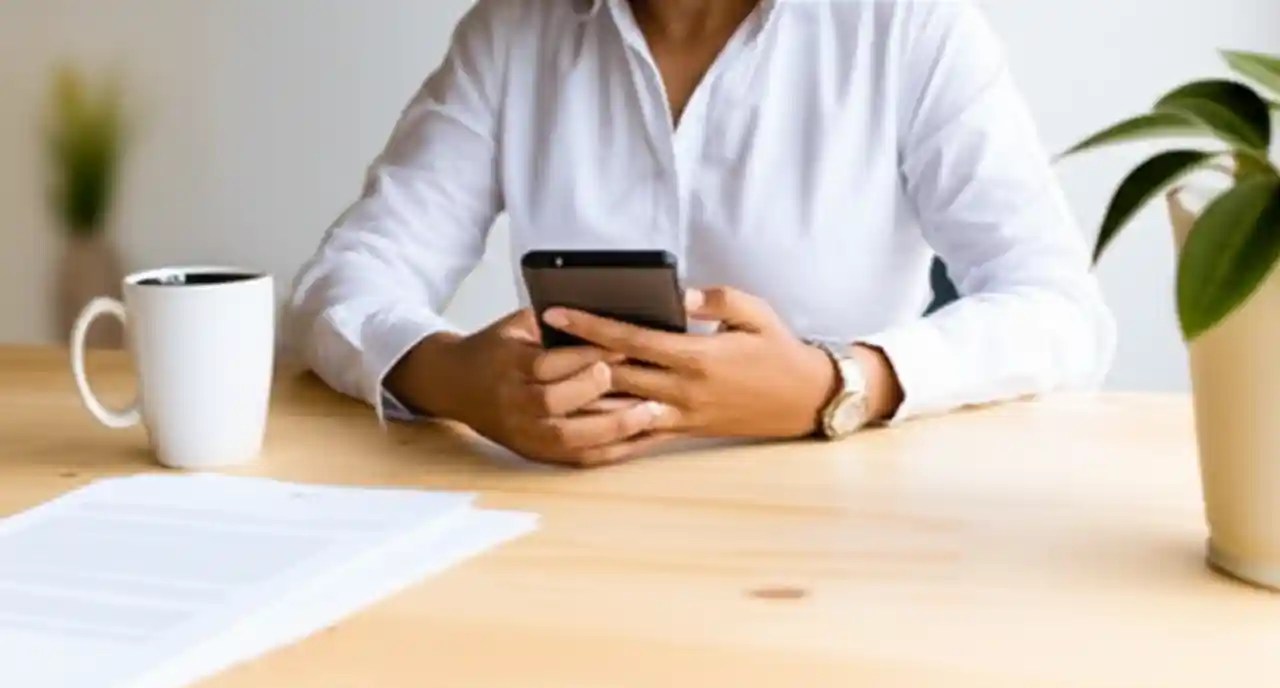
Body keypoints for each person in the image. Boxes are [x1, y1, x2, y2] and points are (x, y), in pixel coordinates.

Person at [287, 0, 1115, 467]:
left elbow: (1061, 310)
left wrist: (840, 385)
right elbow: (344, 282)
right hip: (566, 526)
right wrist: (452, 379)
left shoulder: (907, 27)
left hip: (838, 527)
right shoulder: (514, 32)